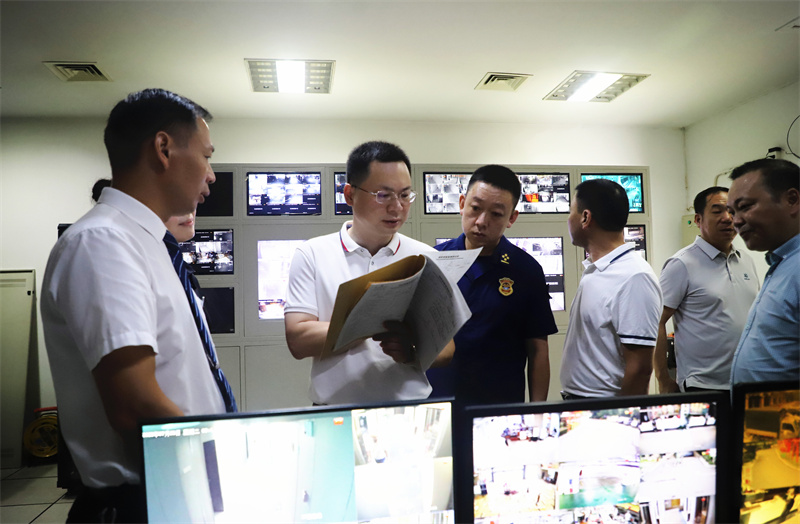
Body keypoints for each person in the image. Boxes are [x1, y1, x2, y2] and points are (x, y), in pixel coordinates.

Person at [41, 88, 228, 522]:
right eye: (206, 156)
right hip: (143, 502)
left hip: (176, 488)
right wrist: (221, 466)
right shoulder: (103, 241)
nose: (212, 175)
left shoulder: (149, 244)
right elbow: (135, 405)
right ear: (163, 149)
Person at [284, 140, 453, 405]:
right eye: (383, 195)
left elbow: (446, 350)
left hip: (411, 409)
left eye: (405, 195)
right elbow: (299, 340)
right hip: (335, 410)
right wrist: (367, 321)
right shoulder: (312, 254)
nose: (396, 207)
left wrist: (412, 349)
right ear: (349, 195)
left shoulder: (425, 257)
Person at [427, 165, 557, 404]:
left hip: (499, 406)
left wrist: (537, 411)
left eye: (496, 214)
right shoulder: (434, 261)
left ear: (512, 218)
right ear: (462, 203)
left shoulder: (527, 271)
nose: (481, 222)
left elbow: (538, 350)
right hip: (438, 402)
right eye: (475, 208)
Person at [560, 178, 662, 398]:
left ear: (585, 217)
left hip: (602, 406)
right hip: (581, 403)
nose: (568, 219)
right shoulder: (597, 269)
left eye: (571, 212)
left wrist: (621, 414)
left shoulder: (634, 276)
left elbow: (640, 369)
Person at [653, 186, 759, 393]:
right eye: (717, 211)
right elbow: (656, 321)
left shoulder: (746, 260)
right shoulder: (681, 264)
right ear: (698, 219)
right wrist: (663, 379)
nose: (727, 218)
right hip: (702, 385)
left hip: (748, 382)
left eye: (732, 211)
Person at [728, 158, 799, 384]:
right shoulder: (783, 264)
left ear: (792, 200)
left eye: (745, 207)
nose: (736, 221)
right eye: (732, 212)